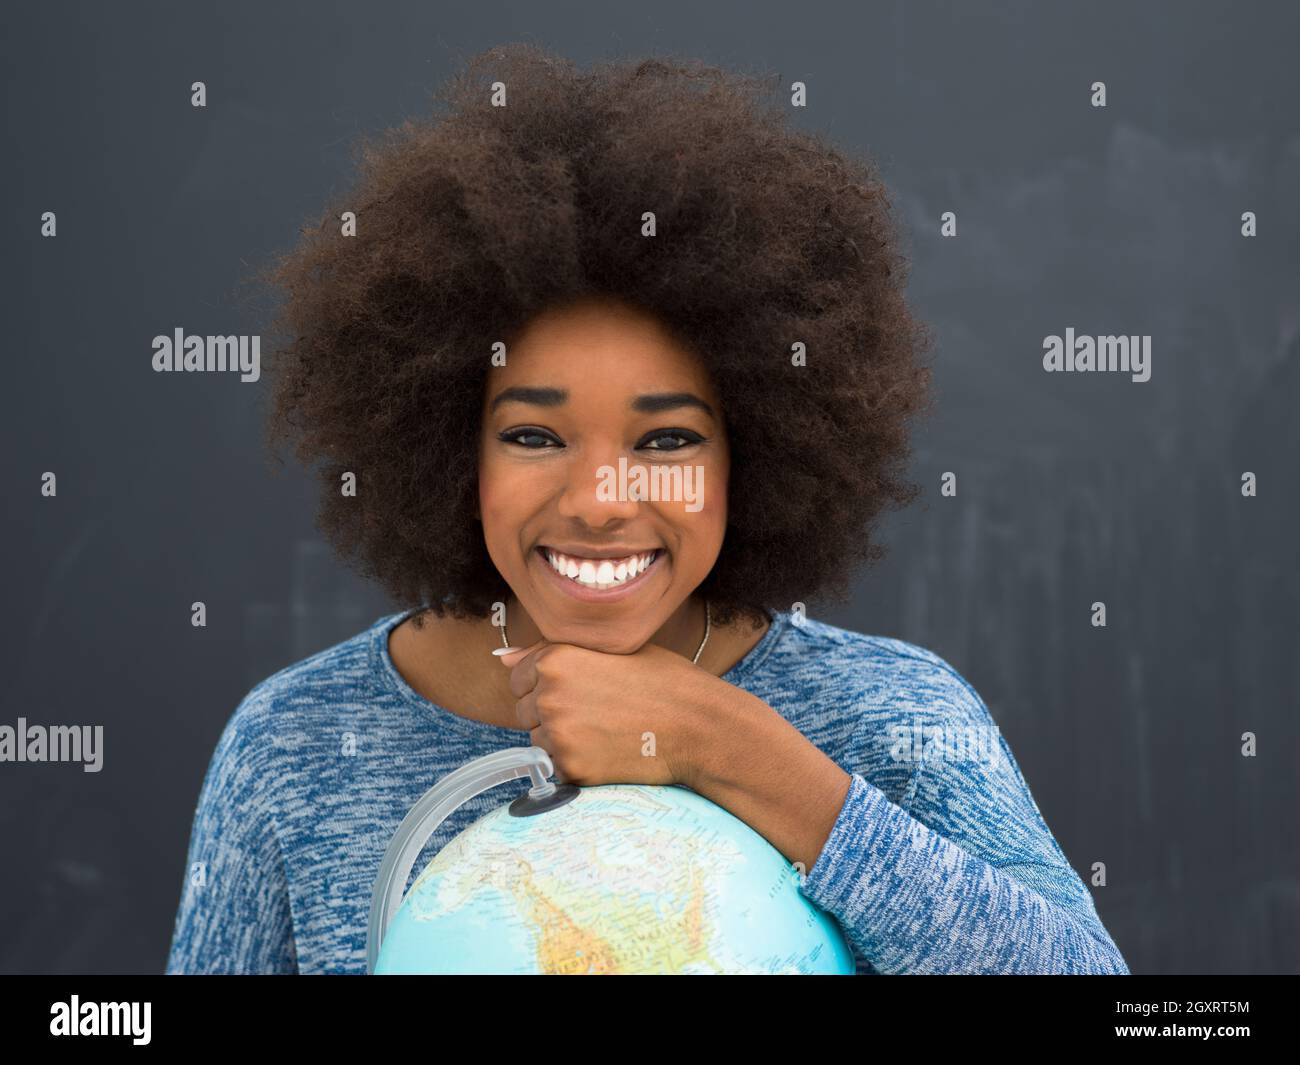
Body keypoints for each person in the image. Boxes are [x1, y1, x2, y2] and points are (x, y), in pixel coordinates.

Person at [165, 44, 1128, 975]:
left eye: (666, 441)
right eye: (534, 437)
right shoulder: (295, 742)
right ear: (449, 450)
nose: (596, 503)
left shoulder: (892, 720)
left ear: (754, 450)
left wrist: (734, 751)